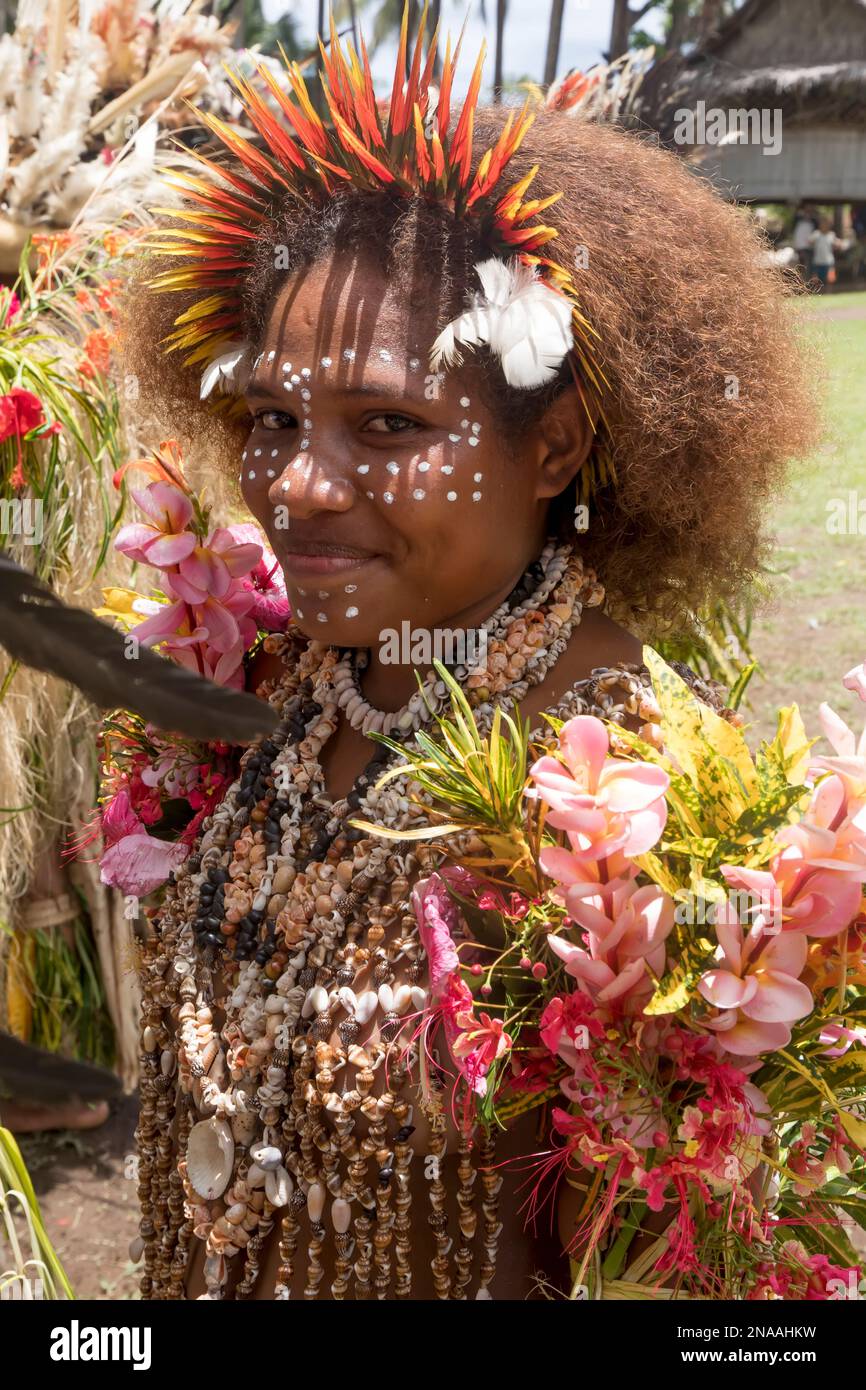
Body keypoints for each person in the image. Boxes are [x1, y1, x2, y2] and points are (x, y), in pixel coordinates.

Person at [124, 16, 816, 1300]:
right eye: (273, 417)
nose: (299, 485)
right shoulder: (266, 686)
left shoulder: (634, 804)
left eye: (387, 423)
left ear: (552, 446)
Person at [809, 216, 843, 288]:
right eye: (823, 224)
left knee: (830, 280)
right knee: (815, 280)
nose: (824, 225)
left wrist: (838, 244)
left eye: (826, 224)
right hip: (817, 261)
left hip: (829, 261)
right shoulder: (816, 234)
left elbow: (838, 244)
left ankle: (829, 293)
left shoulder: (831, 235)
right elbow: (809, 241)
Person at [792, 203, 816, 278]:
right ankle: (802, 280)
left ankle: (807, 279)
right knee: (802, 264)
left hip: (809, 246)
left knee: (809, 265)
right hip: (801, 246)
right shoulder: (798, 220)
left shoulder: (813, 221)